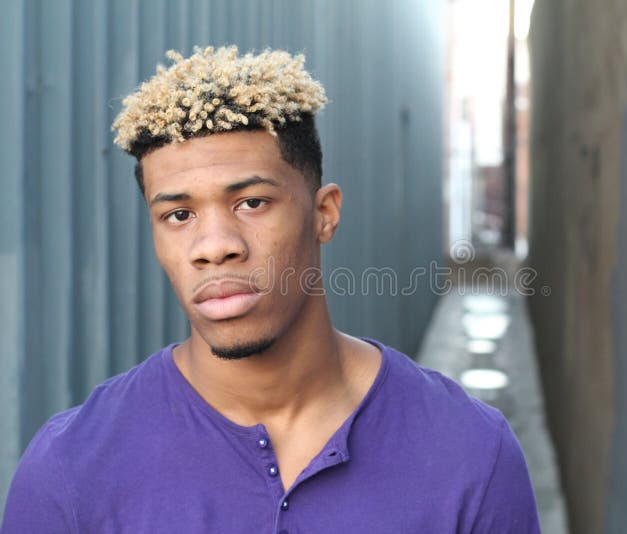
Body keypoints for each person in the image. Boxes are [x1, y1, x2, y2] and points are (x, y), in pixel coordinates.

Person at [1, 46, 540, 533]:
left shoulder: (470, 453)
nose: (214, 246)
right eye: (179, 214)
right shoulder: (69, 471)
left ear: (324, 214)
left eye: (252, 202)